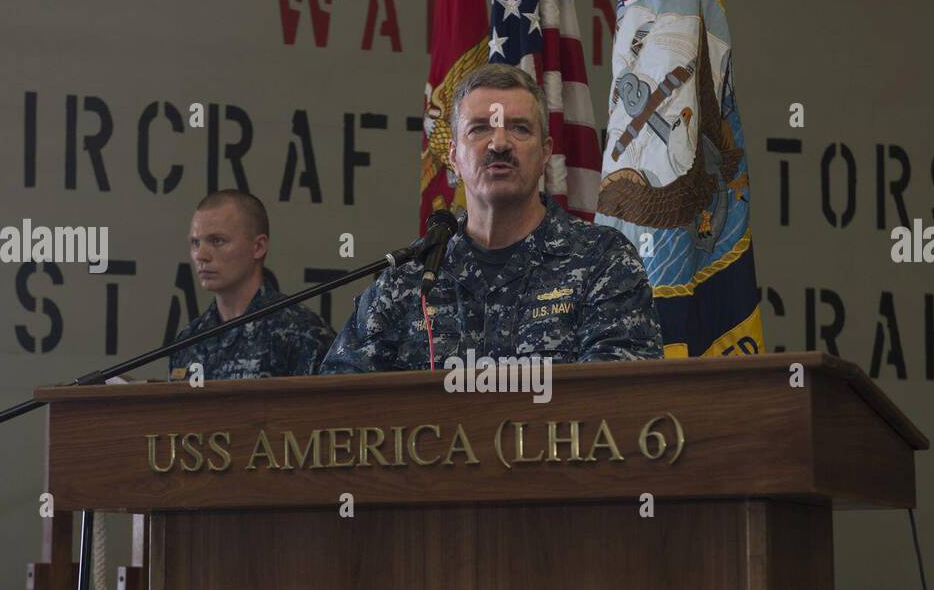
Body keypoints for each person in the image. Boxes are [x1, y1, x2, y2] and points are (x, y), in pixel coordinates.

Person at [321, 63, 662, 373]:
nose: (499, 144)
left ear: (545, 153)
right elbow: (340, 404)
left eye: (519, 129)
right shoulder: (407, 281)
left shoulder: (601, 261)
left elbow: (619, 400)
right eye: (480, 129)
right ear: (453, 154)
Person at [169, 190, 334, 380]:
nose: (201, 255)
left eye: (217, 241)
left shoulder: (301, 333)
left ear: (258, 247)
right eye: (195, 242)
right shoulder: (188, 342)